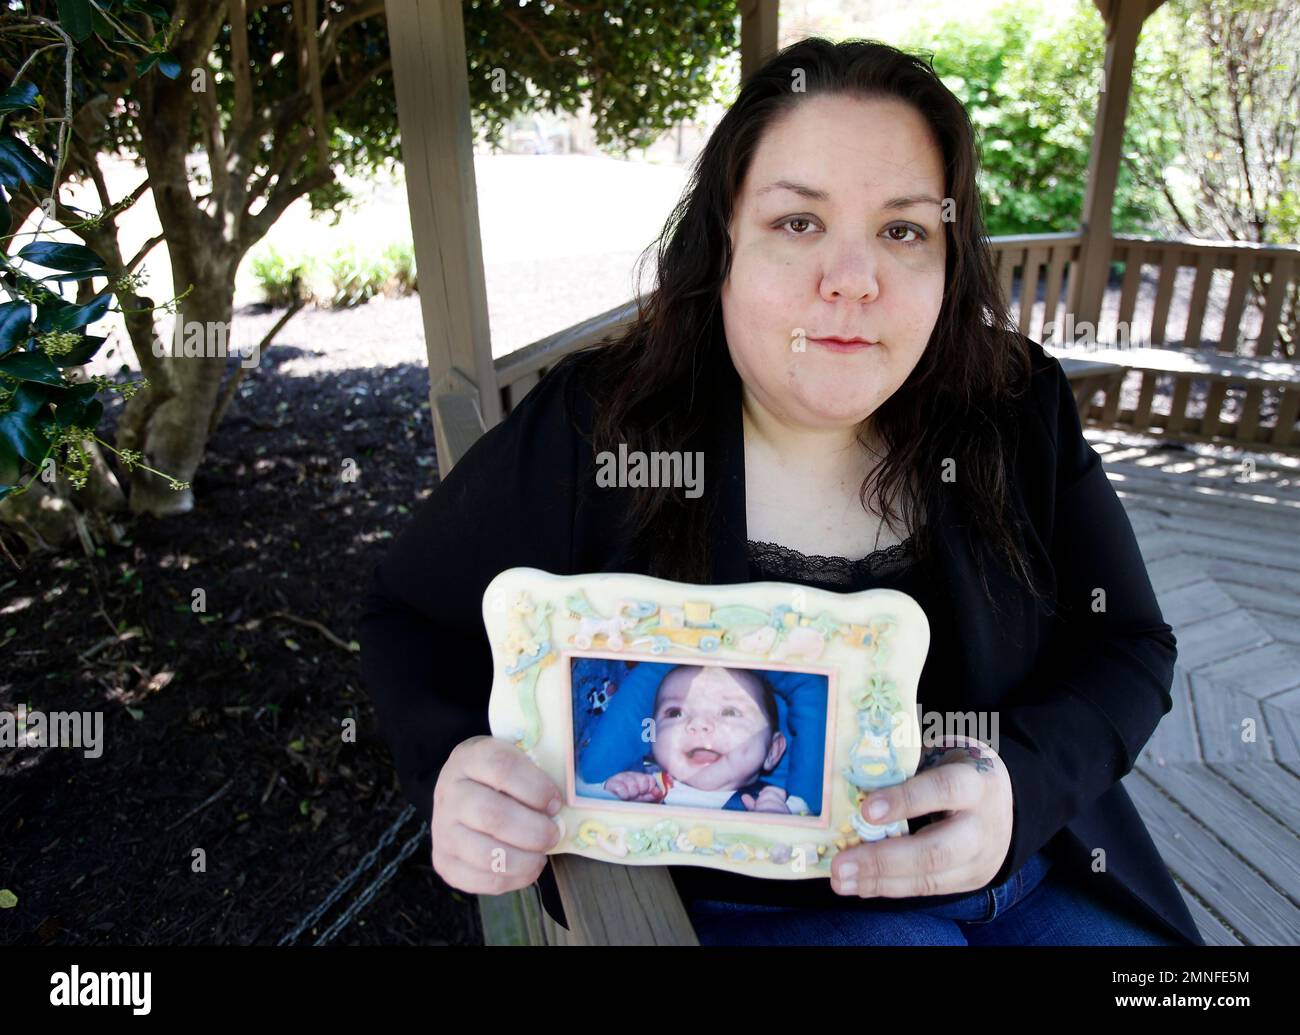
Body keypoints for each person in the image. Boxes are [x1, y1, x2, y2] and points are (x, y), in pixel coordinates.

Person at [358, 37, 1204, 947]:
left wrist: (1019, 785)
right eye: (799, 222)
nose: (853, 279)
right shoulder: (602, 426)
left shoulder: (1012, 404)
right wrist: (456, 767)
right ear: (726, 235)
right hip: (771, 915)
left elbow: (1129, 641)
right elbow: (410, 614)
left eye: (903, 229)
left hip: (1034, 872)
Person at [600, 664, 793, 813]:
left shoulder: (779, 803)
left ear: (772, 750)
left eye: (729, 711)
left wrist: (777, 824)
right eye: (676, 713)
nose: (699, 724)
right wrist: (613, 792)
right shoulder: (642, 788)